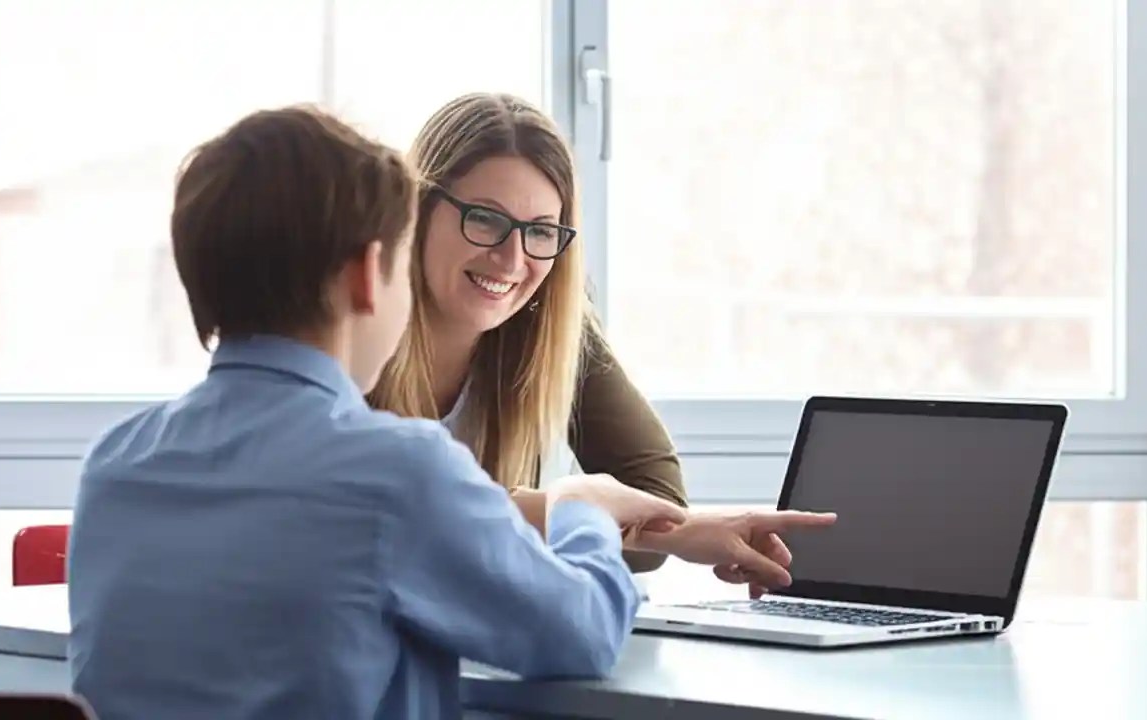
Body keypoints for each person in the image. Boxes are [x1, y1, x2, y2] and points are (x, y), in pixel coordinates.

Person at [66, 105, 694, 720]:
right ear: (370, 275)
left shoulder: (115, 464)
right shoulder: (398, 471)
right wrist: (579, 510)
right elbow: (581, 636)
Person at [369, 92, 837, 592]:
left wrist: (672, 532)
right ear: (418, 207)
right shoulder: (351, 319)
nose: (511, 259)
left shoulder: (549, 321)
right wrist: (577, 509)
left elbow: (651, 491)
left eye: (541, 232)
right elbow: (370, 507)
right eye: (484, 219)